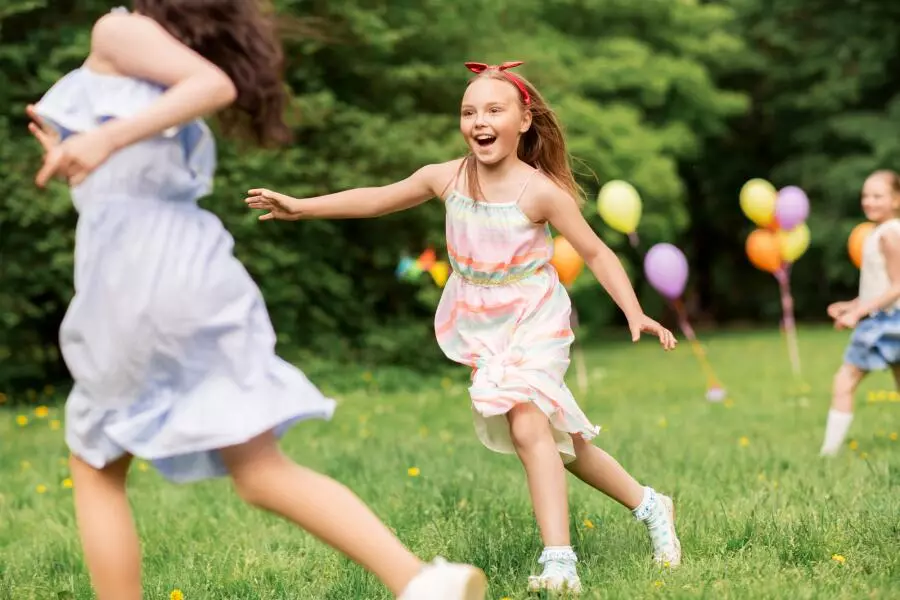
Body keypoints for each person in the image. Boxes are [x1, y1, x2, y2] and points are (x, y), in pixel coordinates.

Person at [26, 4, 486, 599]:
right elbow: (130, 165)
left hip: (133, 271)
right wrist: (78, 156)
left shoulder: (118, 29)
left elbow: (214, 87)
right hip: (195, 265)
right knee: (260, 470)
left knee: (95, 463)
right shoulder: (158, 69)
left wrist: (102, 138)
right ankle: (421, 580)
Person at [245, 60, 682, 594]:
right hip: (482, 322)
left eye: (494, 109)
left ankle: (560, 562)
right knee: (559, 442)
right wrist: (301, 207)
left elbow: (595, 252)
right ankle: (650, 504)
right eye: (468, 111)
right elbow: (377, 198)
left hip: (534, 316)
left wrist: (634, 311)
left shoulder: (539, 192)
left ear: (524, 120)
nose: (479, 120)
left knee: (526, 425)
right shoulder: (447, 177)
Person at [821, 169, 900, 456]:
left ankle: (828, 452)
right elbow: (881, 287)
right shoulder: (884, 231)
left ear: (896, 199)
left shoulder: (888, 234)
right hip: (889, 317)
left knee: (845, 379)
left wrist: (859, 314)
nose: (869, 201)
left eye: (878, 196)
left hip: (887, 323)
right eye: (865, 195)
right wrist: (851, 305)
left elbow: (897, 286)